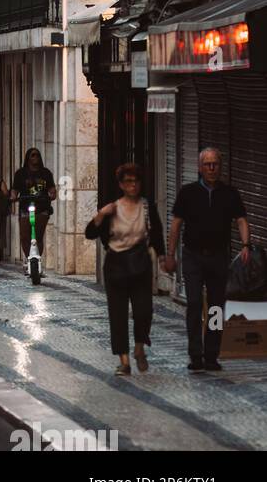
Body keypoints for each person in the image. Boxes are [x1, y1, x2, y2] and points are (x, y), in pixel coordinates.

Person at [163, 147, 252, 372]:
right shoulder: (188, 192)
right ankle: (196, 354)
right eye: (207, 165)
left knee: (216, 307)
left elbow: (241, 219)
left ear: (220, 167)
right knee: (193, 303)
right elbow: (175, 225)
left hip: (218, 258)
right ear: (200, 167)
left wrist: (245, 245)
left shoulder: (230, 193)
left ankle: (211, 355)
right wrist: (170, 255)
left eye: (215, 164)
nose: (212, 168)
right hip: (193, 256)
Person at [86, 162, 166, 375]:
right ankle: (124, 361)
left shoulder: (147, 206)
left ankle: (139, 347)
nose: (132, 185)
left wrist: (163, 257)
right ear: (121, 184)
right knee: (118, 314)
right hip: (116, 266)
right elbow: (89, 233)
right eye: (128, 181)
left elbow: (156, 233)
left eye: (135, 181)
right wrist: (101, 214)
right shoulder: (112, 208)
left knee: (143, 311)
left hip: (140, 264)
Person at [11, 148, 57, 270]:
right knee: (25, 236)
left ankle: (37, 259)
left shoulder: (46, 173)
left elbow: (52, 190)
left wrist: (52, 195)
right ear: (28, 158)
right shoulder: (20, 173)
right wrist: (13, 197)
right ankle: (28, 258)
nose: (35, 157)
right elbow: (14, 189)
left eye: (37, 155)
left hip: (42, 208)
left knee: (38, 236)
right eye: (32, 155)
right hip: (25, 208)